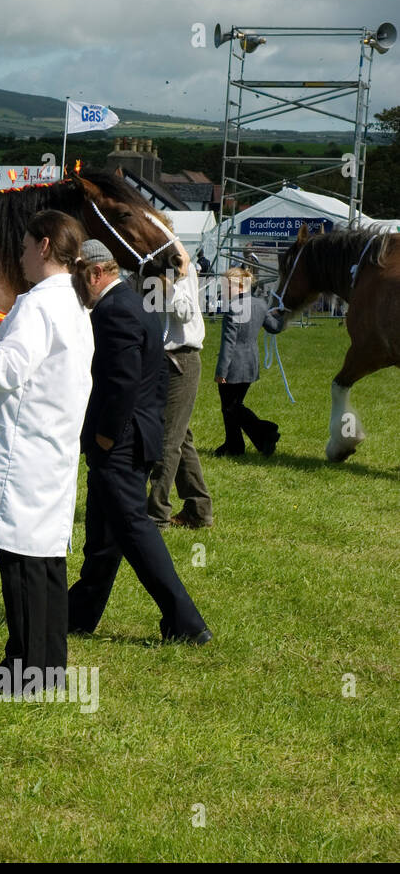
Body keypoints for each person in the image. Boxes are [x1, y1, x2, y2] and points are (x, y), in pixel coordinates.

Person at [0, 210, 94, 695]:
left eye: (26, 245)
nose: (20, 254)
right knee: (47, 564)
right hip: (49, 447)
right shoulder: (74, 305)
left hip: (25, 452)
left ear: (45, 246)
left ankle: (26, 674)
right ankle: (44, 667)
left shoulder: (39, 306)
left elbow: (6, 370)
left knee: (22, 566)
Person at [67, 240, 212, 647]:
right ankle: (78, 614)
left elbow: (122, 383)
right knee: (103, 534)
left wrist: (106, 435)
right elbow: (158, 377)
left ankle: (186, 621)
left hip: (120, 443)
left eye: (79, 276)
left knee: (133, 529)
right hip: (131, 439)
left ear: (96, 274)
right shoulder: (134, 305)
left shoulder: (115, 312)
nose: (76, 287)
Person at [147, 258, 214, 529]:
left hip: (181, 359)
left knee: (167, 440)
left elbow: (184, 313)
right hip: (162, 359)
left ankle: (155, 515)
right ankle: (198, 509)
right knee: (180, 437)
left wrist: (168, 284)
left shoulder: (178, 270)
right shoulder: (151, 269)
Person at [213, 267, 286, 457]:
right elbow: (274, 328)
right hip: (251, 363)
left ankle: (266, 433)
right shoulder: (260, 304)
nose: (223, 290)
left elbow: (228, 342)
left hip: (233, 365)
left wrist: (221, 370)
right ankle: (235, 445)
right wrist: (282, 314)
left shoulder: (233, 308)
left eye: (225, 286)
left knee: (231, 407)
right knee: (233, 407)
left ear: (236, 286)